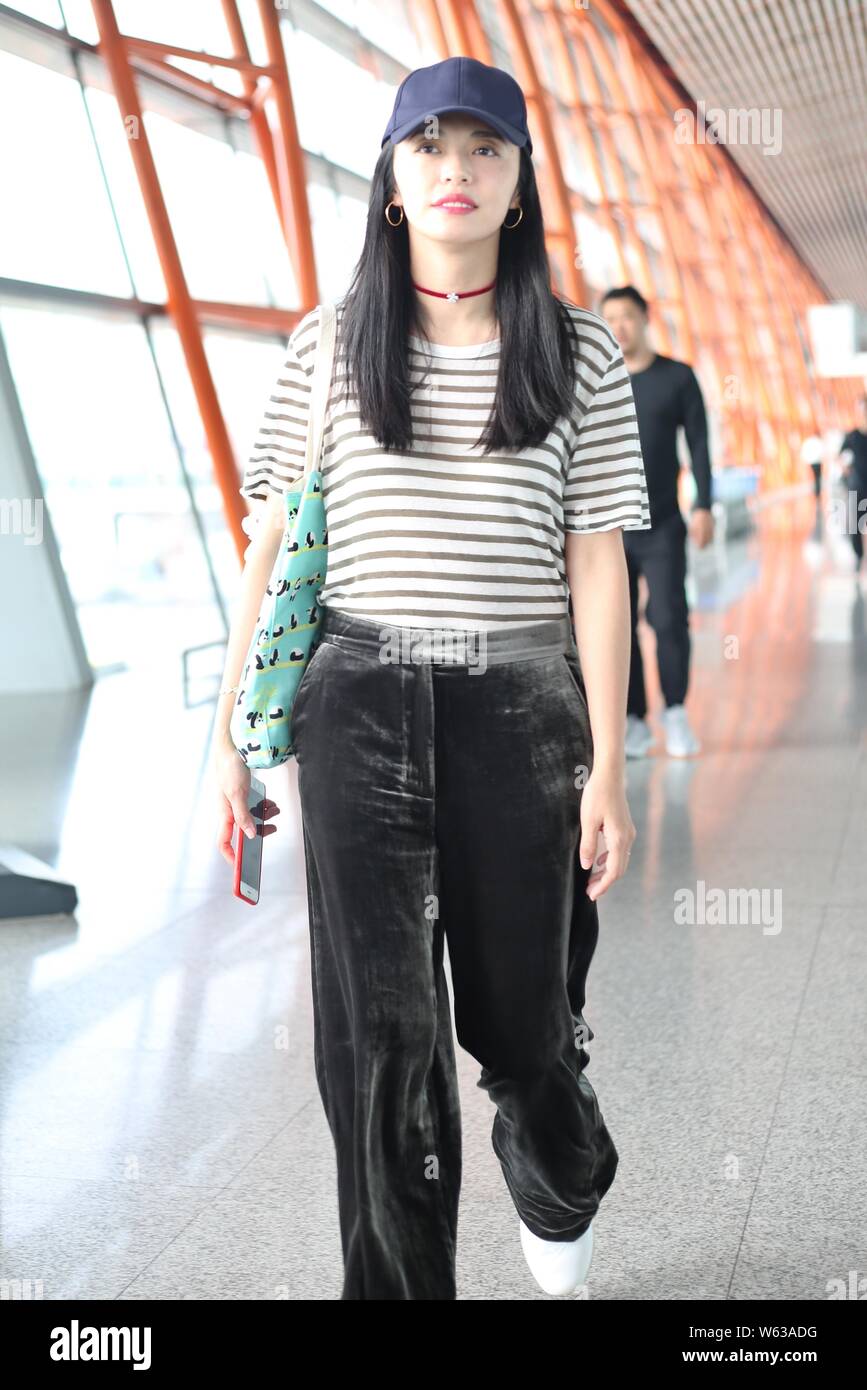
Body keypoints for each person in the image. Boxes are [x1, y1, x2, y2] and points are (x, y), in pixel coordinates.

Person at [212, 57, 652, 1300]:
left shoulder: (574, 352)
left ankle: (560, 1166)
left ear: (518, 188)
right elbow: (275, 546)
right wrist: (229, 737)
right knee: (379, 1047)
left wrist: (609, 767)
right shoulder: (330, 343)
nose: (455, 169)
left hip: (522, 715)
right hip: (355, 709)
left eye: (485, 150)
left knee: (524, 1029)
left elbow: (600, 559)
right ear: (393, 183)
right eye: (428, 148)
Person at [599, 286, 713, 759]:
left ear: (645, 319)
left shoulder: (678, 377)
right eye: (610, 319)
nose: (619, 327)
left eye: (627, 317)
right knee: (613, 625)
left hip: (664, 523)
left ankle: (676, 713)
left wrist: (704, 503)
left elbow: (701, 446)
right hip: (607, 529)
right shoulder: (599, 381)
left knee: (668, 619)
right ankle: (633, 720)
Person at [836, 393, 867, 575]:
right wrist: (847, 470)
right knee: (855, 526)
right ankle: (859, 557)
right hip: (858, 486)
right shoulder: (853, 436)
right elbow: (840, 455)